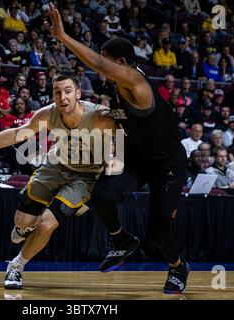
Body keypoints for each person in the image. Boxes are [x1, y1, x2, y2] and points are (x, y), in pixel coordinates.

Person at [46, 3, 189, 294]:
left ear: (121, 62)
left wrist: (63, 36)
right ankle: (121, 240)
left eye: (109, 62)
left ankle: (177, 267)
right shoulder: (113, 89)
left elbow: (98, 64)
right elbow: (123, 125)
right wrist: (111, 152)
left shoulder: (135, 81)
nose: (103, 68)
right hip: (137, 159)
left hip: (168, 165)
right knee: (101, 196)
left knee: (158, 232)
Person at [0, 71, 116, 289]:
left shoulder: (99, 114)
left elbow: (122, 134)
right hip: (54, 166)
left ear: (79, 93)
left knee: (48, 223)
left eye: (68, 91)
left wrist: (111, 160)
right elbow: (16, 134)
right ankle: (24, 228)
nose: (62, 97)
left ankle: (16, 266)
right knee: (21, 222)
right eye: (57, 92)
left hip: (85, 176)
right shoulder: (47, 114)